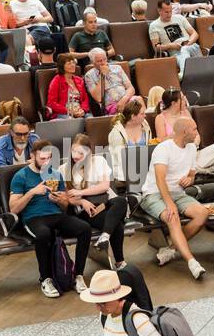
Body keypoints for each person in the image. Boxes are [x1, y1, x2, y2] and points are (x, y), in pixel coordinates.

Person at [9, 139, 91, 297]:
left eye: (49, 158)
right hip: (33, 217)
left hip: (56, 214)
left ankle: (78, 275)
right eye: (42, 158)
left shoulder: (55, 174)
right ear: (33, 156)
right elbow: (13, 208)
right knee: (43, 234)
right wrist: (32, 192)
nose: (46, 162)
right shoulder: (20, 176)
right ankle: (45, 279)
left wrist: (61, 200)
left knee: (84, 229)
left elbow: (65, 206)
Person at [141, 117, 209, 279]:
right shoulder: (163, 148)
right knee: (173, 217)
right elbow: (159, 179)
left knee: (202, 214)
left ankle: (171, 249)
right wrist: (169, 203)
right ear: (184, 131)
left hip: (178, 193)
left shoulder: (191, 147)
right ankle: (192, 262)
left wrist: (190, 179)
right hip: (154, 194)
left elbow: (192, 173)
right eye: (194, 129)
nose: (197, 132)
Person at [62, 134, 128, 269]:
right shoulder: (64, 169)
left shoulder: (99, 161)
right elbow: (66, 197)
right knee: (116, 224)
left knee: (121, 201)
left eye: (81, 152)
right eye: (74, 151)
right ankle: (119, 261)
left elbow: (104, 186)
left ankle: (104, 236)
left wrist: (80, 193)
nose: (76, 155)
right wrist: (82, 202)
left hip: (106, 203)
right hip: (87, 210)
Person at [149, 0, 201, 68]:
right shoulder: (154, 26)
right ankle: (185, 72)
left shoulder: (179, 17)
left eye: (171, 11)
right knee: (183, 54)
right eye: (166, 12)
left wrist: (188, 43)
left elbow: (195, 34)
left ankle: (184, 73)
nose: (169, 14)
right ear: (159, 11)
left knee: (185, 49)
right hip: (176, 54)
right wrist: (171, 46)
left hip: (191, 46)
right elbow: (156, 48)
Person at [107, 97, 150, 180]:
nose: (145, 115)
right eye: (142, 114)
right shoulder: (117, 132)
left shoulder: (145, 125)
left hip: (145, 166)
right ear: (133, 116)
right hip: (124, 170)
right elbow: (119, 158)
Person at [85, 48, 133, 116]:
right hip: (111, 104)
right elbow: (98, 98)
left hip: (126, 98)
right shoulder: (89, 76)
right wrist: (102, 76)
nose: (103, 62)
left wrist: (124, 100)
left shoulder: (117, 68)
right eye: (99, 61)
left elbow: (131, 88)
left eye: (104, 59)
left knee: (138, 99)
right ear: (93, 63)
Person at [46, 53, 91, 120]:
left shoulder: (79, 80)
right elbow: (51, 103)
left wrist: (83, 110)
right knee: (71, 120)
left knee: (90, 119)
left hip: (79, 111)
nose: (73, 65)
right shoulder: (56, 81)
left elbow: (85, 99)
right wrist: (69, 111)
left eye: (73, 63)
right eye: (69, 63)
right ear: (62, 66)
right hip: (63, 113)